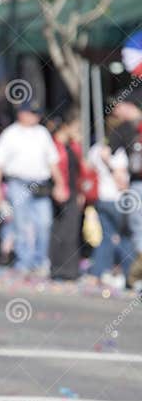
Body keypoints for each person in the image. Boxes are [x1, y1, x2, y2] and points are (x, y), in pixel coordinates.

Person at [0, 97, 67, 275]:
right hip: (18, 183)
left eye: (37, 114)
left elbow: (53, 162)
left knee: (44, 223)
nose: (34, 117)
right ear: (21, 113)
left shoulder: (42, 133)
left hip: (40, 184)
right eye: (31, 113)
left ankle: (40, 261)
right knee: (21, 224)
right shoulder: (10, 133)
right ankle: (24, 262)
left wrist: (60, 184)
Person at [88, 135, 132, 284]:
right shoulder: (118, 152)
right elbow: (121, 180)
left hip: (101, 198)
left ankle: (97, 274)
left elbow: (88, 167)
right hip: (117, 199)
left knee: (106, 238)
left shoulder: (94, 150)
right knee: (126, 237)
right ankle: (129, 275)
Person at [49, 112, 87, 281]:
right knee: (59, 231)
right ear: (66, 126)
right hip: (58, 192)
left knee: (72, 231)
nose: (79, 132)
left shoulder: (73, 147)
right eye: (76, 128)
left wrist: (80, 192)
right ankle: (57, 267)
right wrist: (58, 187)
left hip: (73, 192)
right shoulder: (54, 145)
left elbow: (81, 171)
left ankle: (70, 269)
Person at [107, 101, 142, 286]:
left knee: (137, 230)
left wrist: (115, 172)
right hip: (135, 184)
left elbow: (106, 153)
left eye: (117, 107)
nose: (115, 112)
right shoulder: (125, 128)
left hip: (136, 184)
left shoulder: (126, 128)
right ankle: (135, 276)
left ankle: (136, 277)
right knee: (136, 229)